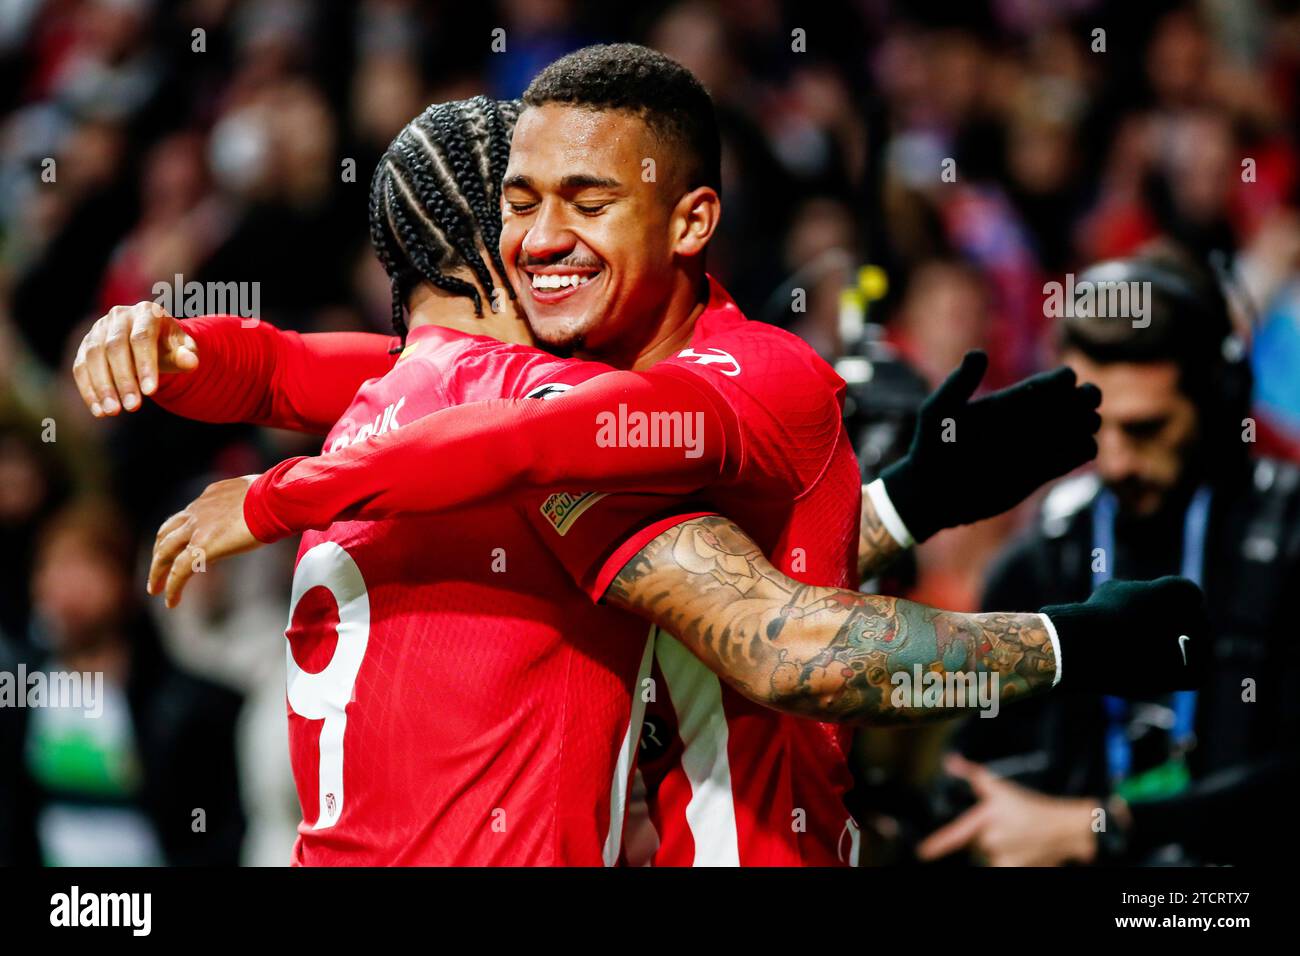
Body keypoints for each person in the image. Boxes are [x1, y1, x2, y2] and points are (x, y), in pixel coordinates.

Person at [76, 59, 1193, 865]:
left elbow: (312, 376)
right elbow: (781, 645)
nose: (546, 237)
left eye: (584, 200)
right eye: (522, 202)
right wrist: (1069, 639)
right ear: (486, 240)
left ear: (691, 220)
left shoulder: (450, 403)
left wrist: (180, 358)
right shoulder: (532, 412)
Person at [918, 252, 1300, 867]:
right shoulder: (1041, 558)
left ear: (1220, 401)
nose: (1116, 463)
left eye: (1146, 429)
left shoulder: (1288, 542)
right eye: (1099, 428)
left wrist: (1101, 829)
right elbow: (981, 770)